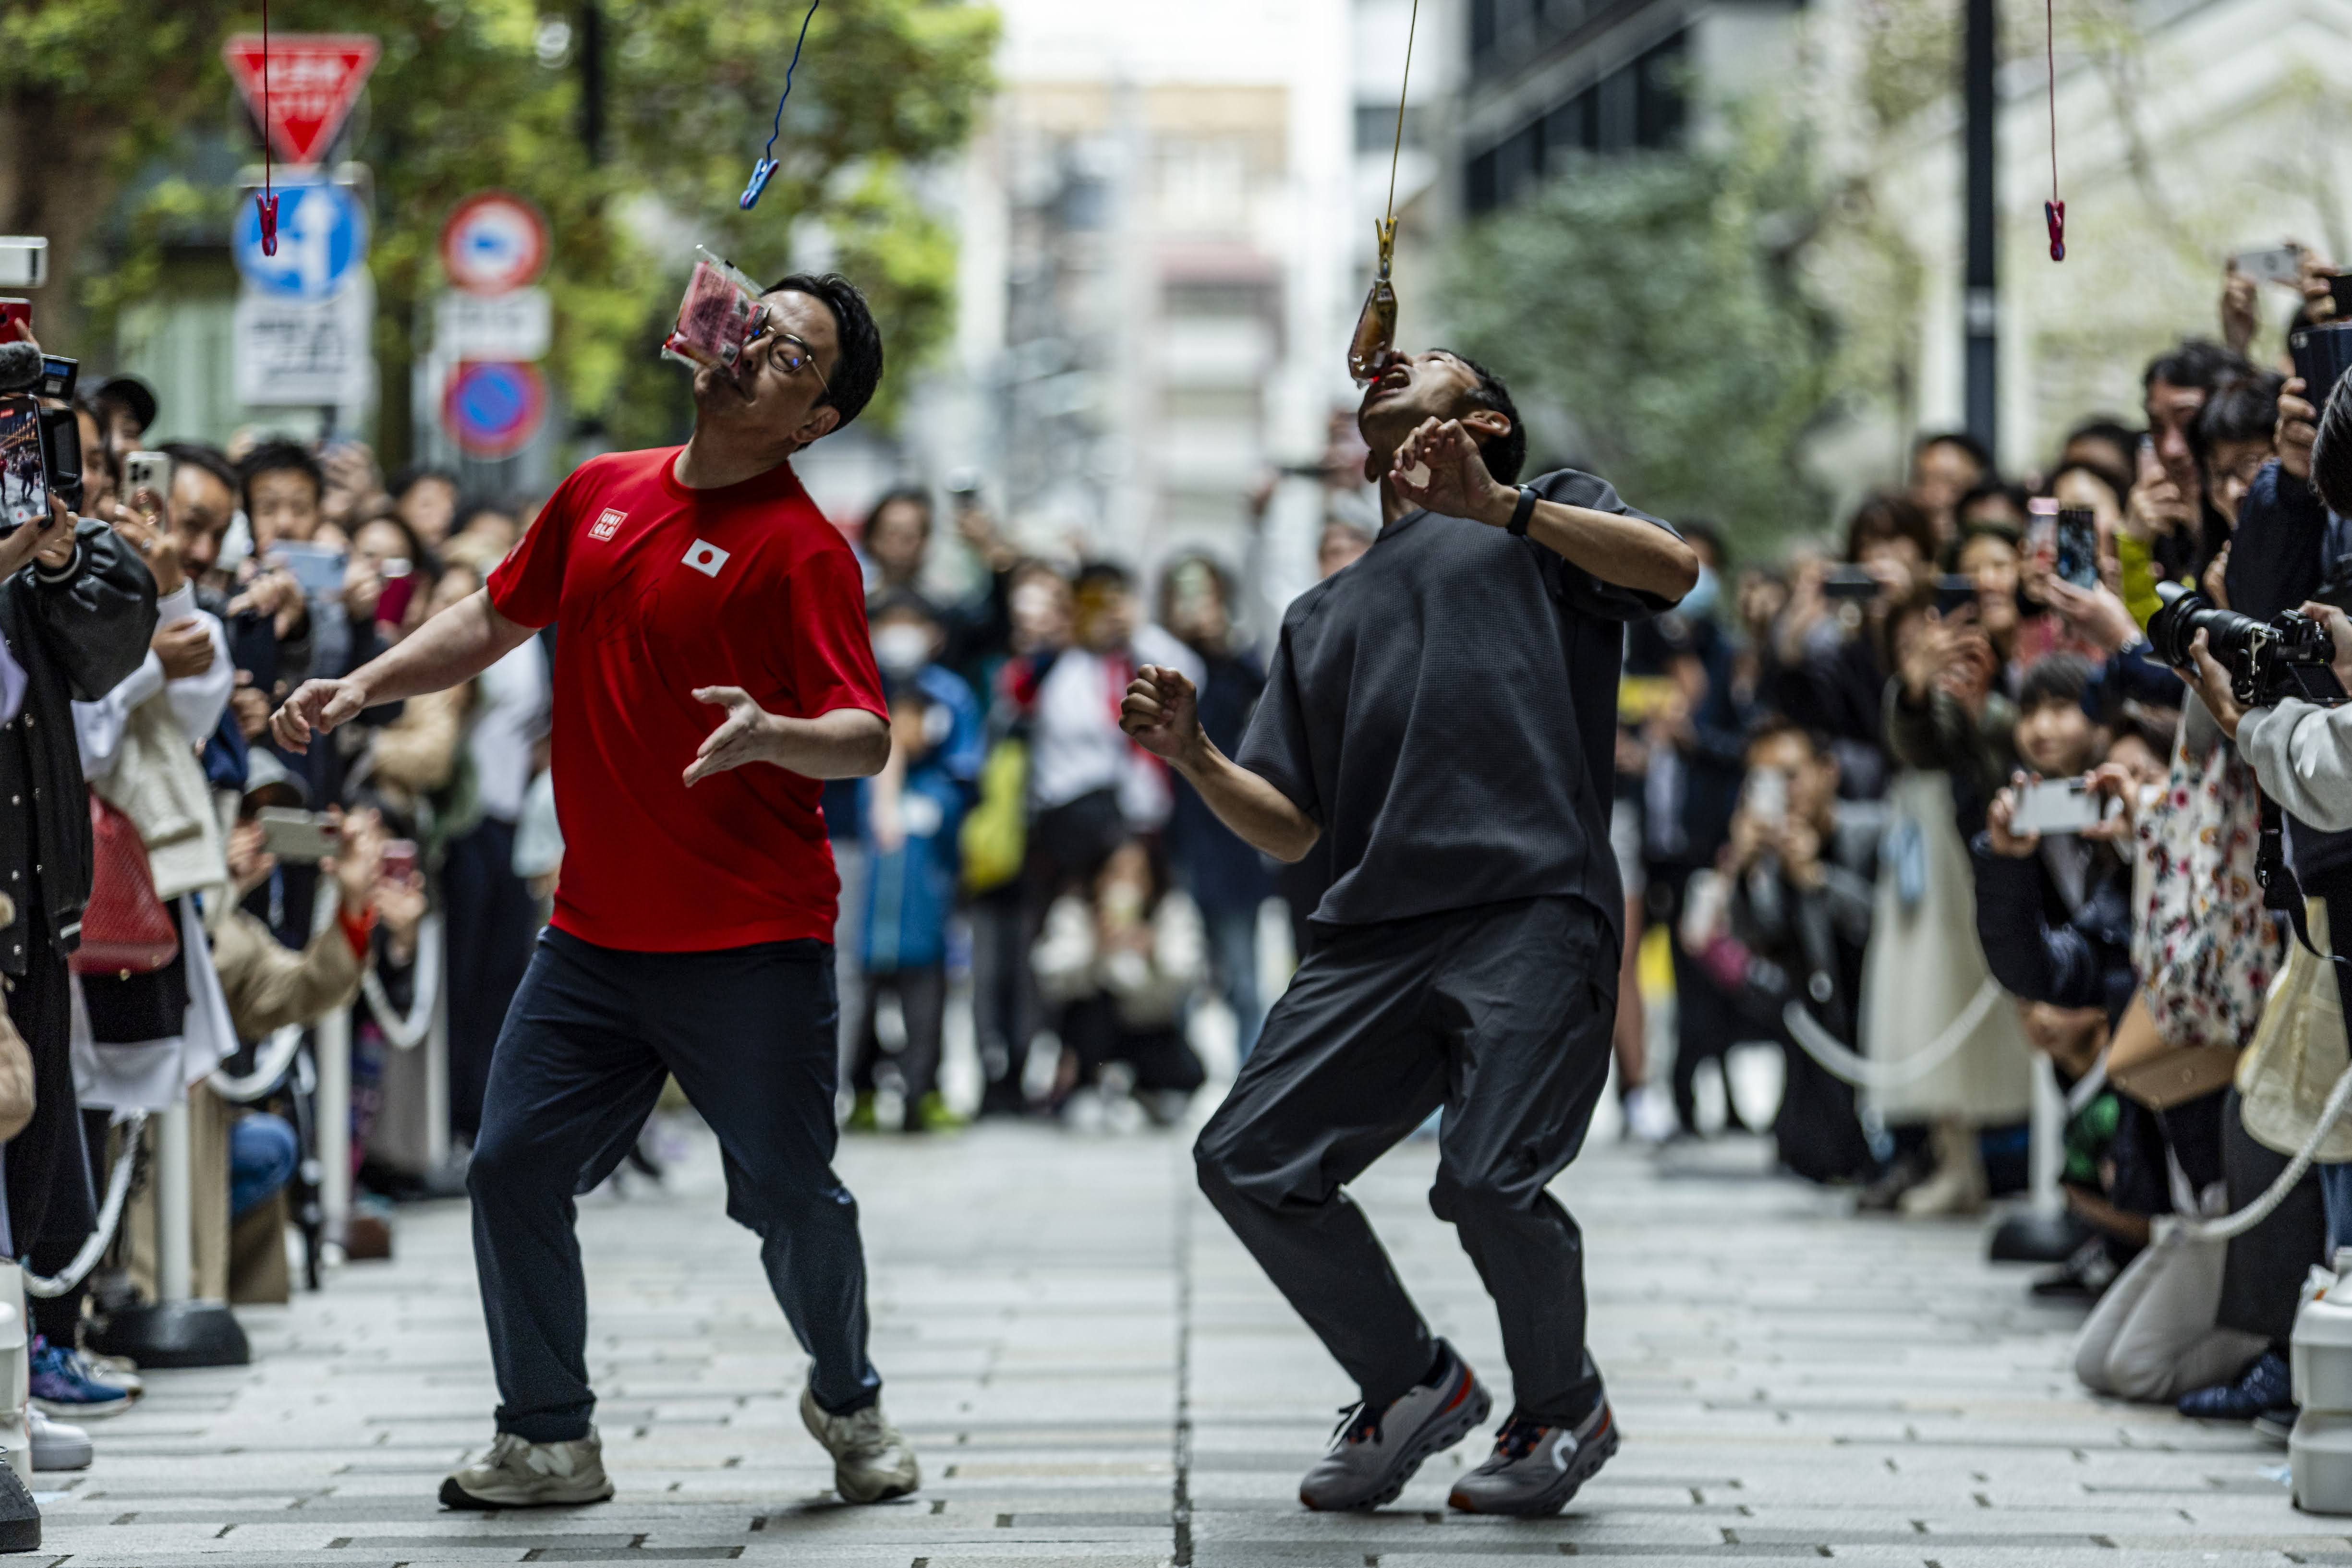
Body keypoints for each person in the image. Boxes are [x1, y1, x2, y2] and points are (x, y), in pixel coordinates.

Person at [270, 270, 919, 1512]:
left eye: (796, 356)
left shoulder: (804, 552)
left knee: (787, 1194)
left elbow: (865, 734)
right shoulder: (598, 491)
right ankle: (548, 1436)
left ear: (813, 419)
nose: (761, 348)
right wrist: (364, 688)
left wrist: (779, 732)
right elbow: (494, 615)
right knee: (511, 1164)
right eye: (761, 324)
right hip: (593, 942)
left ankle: (848, 1396)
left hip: (752, 942)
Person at [1120, 344, 1697, 1517]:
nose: (1390, 363)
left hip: (1530, 905)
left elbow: (1673, 569)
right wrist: (1196, 757)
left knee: (1488, 1179)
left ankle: (1559, 1404)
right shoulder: (1324, 611)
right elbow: (1287, 826)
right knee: (1244, 1157)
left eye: (1425, 361)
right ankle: (1408, 1380)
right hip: (1370, 933)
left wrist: (1505, 509)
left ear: (1481, 421)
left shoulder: (1548, 519)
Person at [845, 682, 969, 1134]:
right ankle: (862, 1094)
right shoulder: (869, 785)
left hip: (924, 934)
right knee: (863, 1023)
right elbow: (878, 820)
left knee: (925, 1024)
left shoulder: (942, 791)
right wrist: (888, 759)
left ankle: (923, 1097)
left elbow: (950, 852)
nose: (907, 729)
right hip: (872, 933)